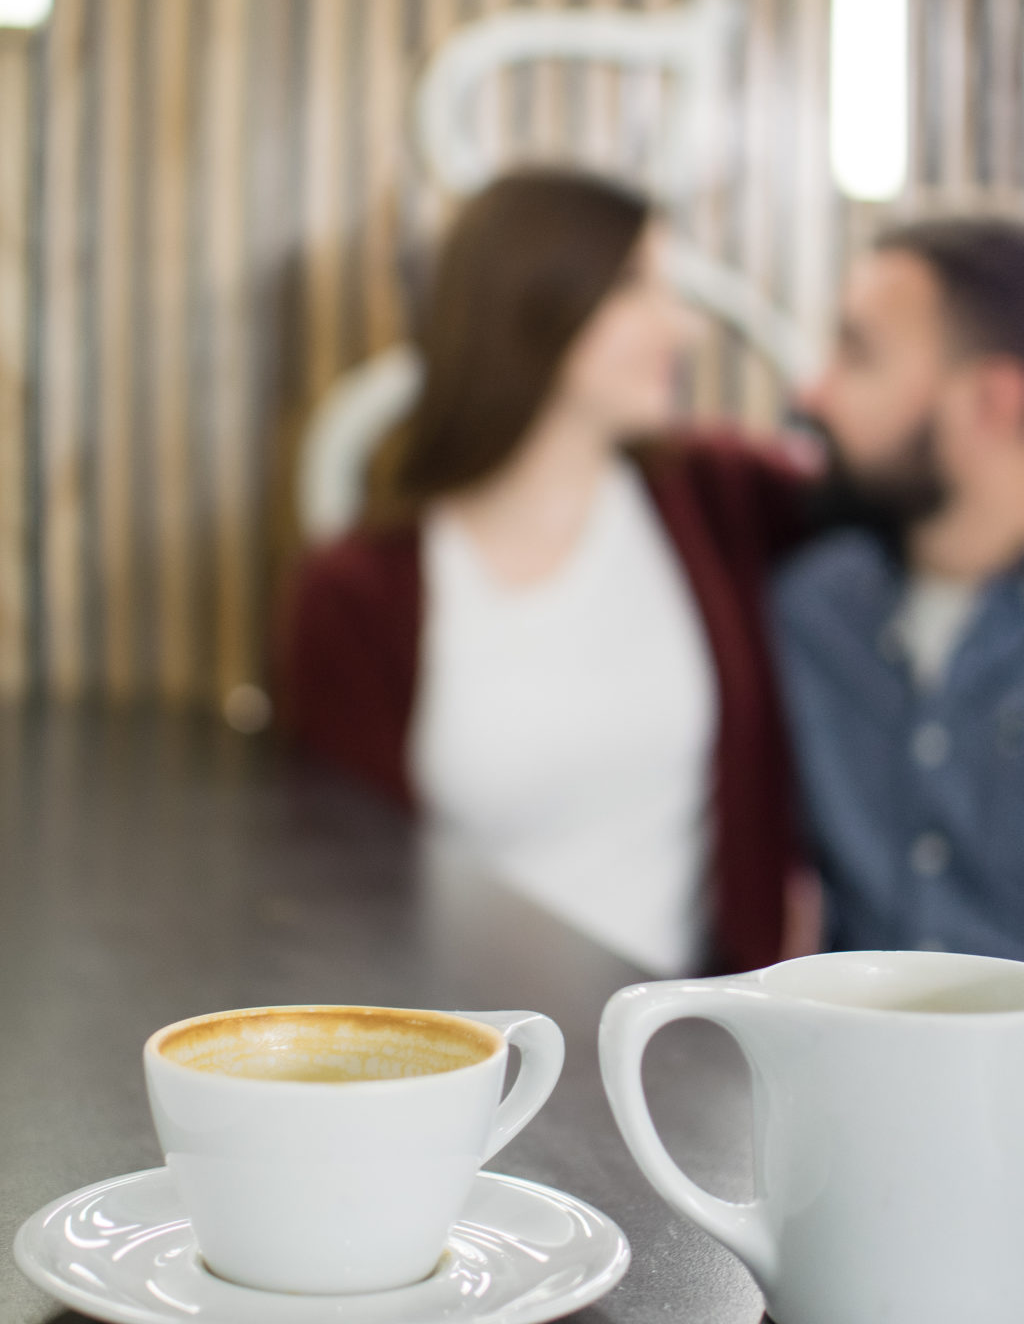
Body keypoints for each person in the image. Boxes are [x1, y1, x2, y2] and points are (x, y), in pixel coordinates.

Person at [282, 168, 811, 976]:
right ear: (531, 307)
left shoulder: (718, 496)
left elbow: (917, 506)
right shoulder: (356, 593)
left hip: (694, 1053)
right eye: (637, 286)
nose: (686, 329)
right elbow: (339, 899)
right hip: (466, 1066)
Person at [774, 218, 1024, 957]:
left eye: (859, 354)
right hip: (836, 1061)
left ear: (992, 403)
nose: (812, 392)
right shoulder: (813, 607)